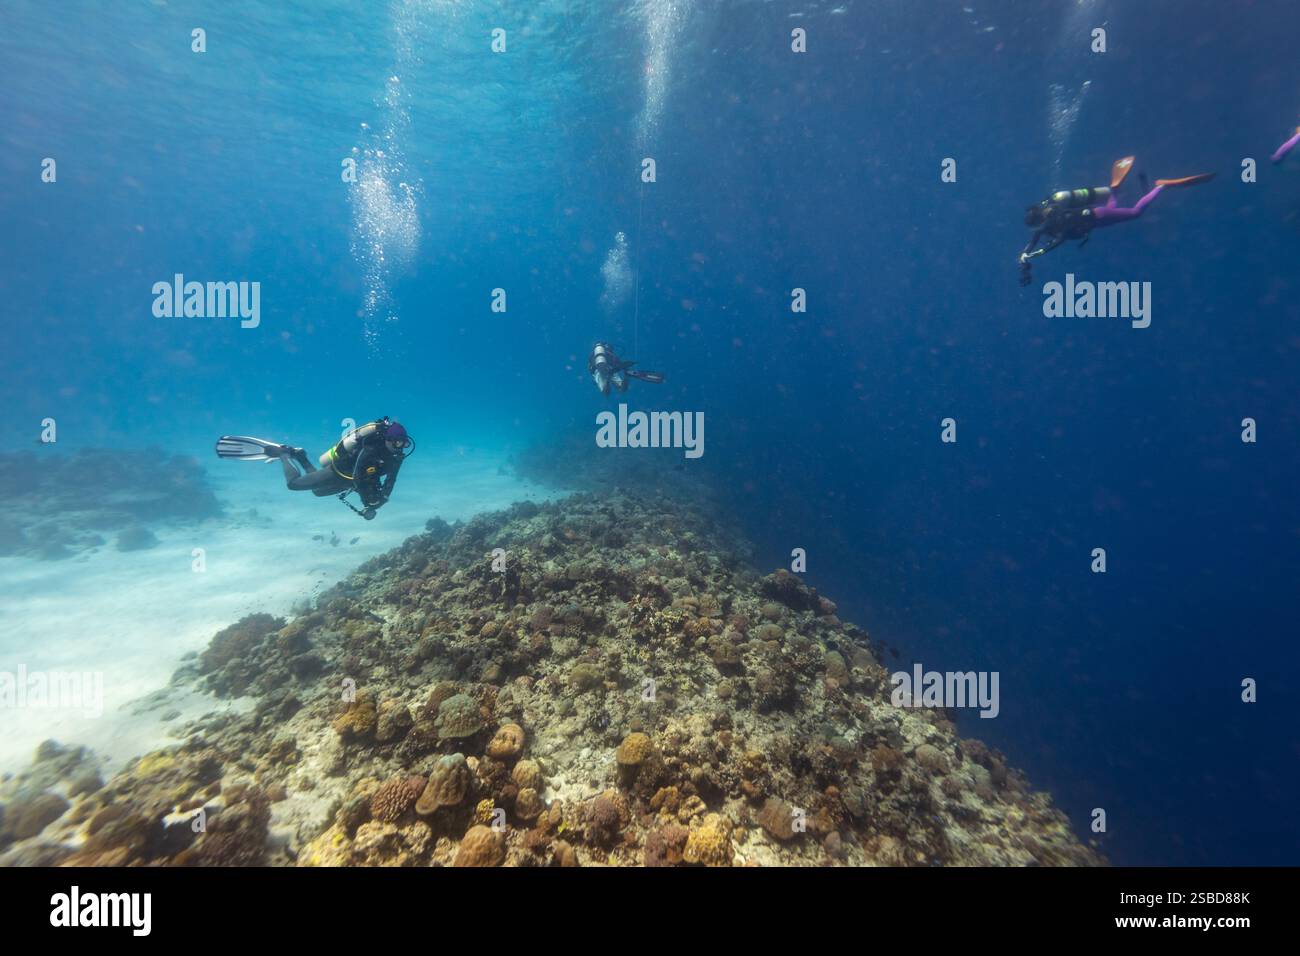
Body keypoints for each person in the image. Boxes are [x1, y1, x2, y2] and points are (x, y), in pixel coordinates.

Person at [1018, 156, 1215, 285]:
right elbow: (1035, 239)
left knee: (1136, 212)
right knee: (1113, 209)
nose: (1038, 229)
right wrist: (1025, 253)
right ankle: (1114, 188)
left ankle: (1161, 186)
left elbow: (1058, 241)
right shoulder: (1046, 223)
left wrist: (1036, 254)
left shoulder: (1056, 220)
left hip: (1097, 216)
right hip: (1097, 219)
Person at [215, 417, 412, 519]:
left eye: (402, 444)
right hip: (340, 472)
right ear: (387, 439)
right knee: (293, 484)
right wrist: (368, 502)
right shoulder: (369, 449)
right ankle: (283, 453)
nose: (398, 447)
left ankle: (301, 456)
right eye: (395, 443)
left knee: (317, 493)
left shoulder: (397, 455)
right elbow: (360, 475)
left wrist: (384, 497)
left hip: (348, 481)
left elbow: (392, 477)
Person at [588, 342, 664, 397]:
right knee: (622, 388)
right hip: (610, 370)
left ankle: (609, 380)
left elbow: (591, 368)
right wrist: (624, 367)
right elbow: (618, 364)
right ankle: (627, 375)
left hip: (599, 372)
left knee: (605, 393)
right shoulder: (610, 354)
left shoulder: (593, 356)